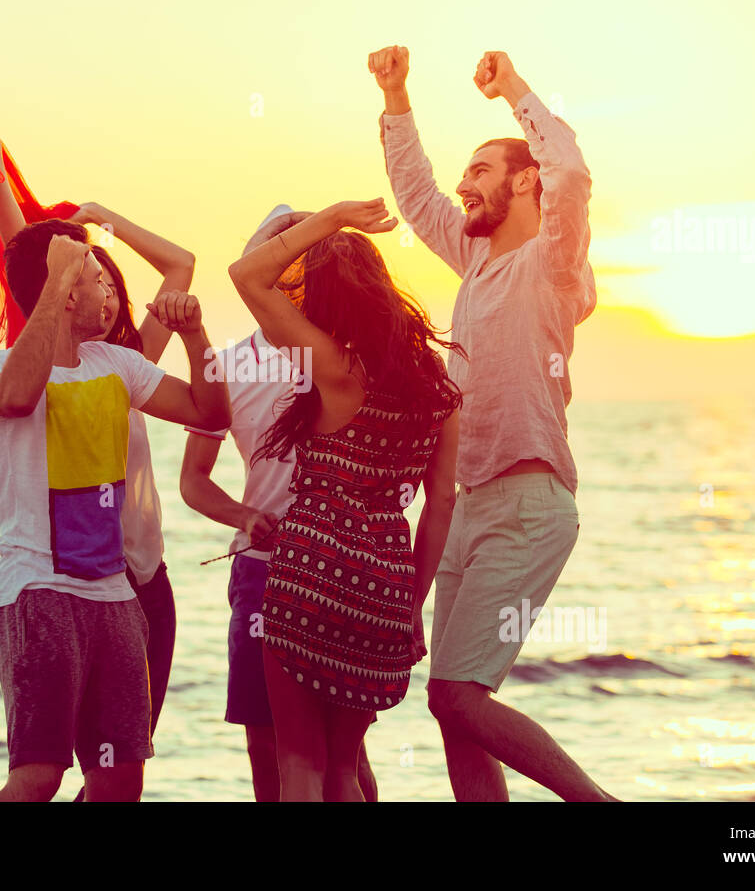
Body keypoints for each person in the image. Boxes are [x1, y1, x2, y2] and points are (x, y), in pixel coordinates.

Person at [369, 45, 615, 801]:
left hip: (528, 507)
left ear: (524, 181)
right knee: (454, 707)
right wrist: (398, 96)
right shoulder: (474, 261)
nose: (461, 183)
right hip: (465, 509)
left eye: (479, 170)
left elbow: (572, 175)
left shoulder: (555, 263)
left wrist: (513, 92)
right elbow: (415, 195)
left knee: (458, 695)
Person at [0, 220, 229, 802]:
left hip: (116, 598)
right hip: (39, 592)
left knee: (118, 782)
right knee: (39, 777)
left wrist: (195, 336)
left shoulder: (117, 363)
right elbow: (16, 398)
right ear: (64, 291)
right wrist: (60, 267)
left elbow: (209, 414)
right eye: (93, 278)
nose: (108, 291)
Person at [229, 199, 462, 801]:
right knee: (342, 766)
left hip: (312, 568)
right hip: (383, 579)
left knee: (299, 763)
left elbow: (245, 273)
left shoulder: (330, 364)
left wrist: (334, 216)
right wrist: (411, 604)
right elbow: (440, 507)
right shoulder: (438, 385)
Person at [0, 107, 192, 759]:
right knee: (59, 763)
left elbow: (181, 267)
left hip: (142, 580)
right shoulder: (43, 360)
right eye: (85, 277)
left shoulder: (130, 361)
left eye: (102, 280)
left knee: (124, 759)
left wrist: (108, 219)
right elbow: (19, 245)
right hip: (77, 579)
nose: (95, 287)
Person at [180, 205, 377, 802]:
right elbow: (194, 479)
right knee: (267, 744)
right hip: (261, 571)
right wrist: (243, 517)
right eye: (275, 246)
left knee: (343, 751)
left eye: (300, 247)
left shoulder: (343, 351)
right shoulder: (228, 364)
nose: (288, 259)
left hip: (339, 569)